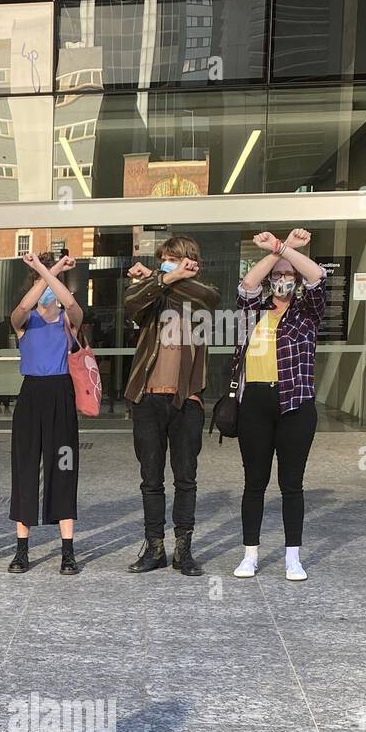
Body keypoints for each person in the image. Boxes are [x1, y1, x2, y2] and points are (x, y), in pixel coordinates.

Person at [230, 228, 326, 582]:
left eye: (289, 275)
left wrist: (288, 248)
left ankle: (292, 557)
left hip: (295, 403)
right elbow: (246, 286)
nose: (283, 280)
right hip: (255, 400)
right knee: (254, 483)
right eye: (278, 275)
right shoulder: (252, 311)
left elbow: (317, 277)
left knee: (292, 484)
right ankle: (250, 555)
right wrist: (274, 251)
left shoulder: (308, 313)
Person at [123, 235, 219, 576]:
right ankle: (154, 548)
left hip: (186, 399)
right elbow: (131, 301)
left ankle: (184, 551)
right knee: (151, 479)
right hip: (148, 398)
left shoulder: (199, 296)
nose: (166, 264)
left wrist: (161, 279)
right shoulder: (154, 294)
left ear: (189, 262)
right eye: (164, 259)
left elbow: (209, 297)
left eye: (173, 259)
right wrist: (158, 280)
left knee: (186, 478)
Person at [7, 251, 82, 575]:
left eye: (53, 282)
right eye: (42, 282)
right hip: (31, 395)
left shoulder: (68, 320)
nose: (48, 288)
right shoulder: (25, 322)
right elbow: (21, 309)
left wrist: (48, 272)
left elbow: (75, 306)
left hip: (61, 394)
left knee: (63, 468)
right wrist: (46, 270)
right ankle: (21, 549)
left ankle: (67, 550)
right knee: (25, 469)